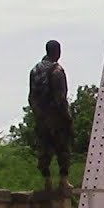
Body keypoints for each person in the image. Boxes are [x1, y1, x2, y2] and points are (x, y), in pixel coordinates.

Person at [28, 40, 73, 191]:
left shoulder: (35, 70)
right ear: (57, 52)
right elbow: (60, 98)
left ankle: (47, 181)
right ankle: (63, 180)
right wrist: (66, 118)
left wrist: (38, 115)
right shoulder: (57, 71)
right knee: (63, 148)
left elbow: (31, 96)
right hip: (56, 118)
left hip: (41, 118)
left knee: (44, 150)